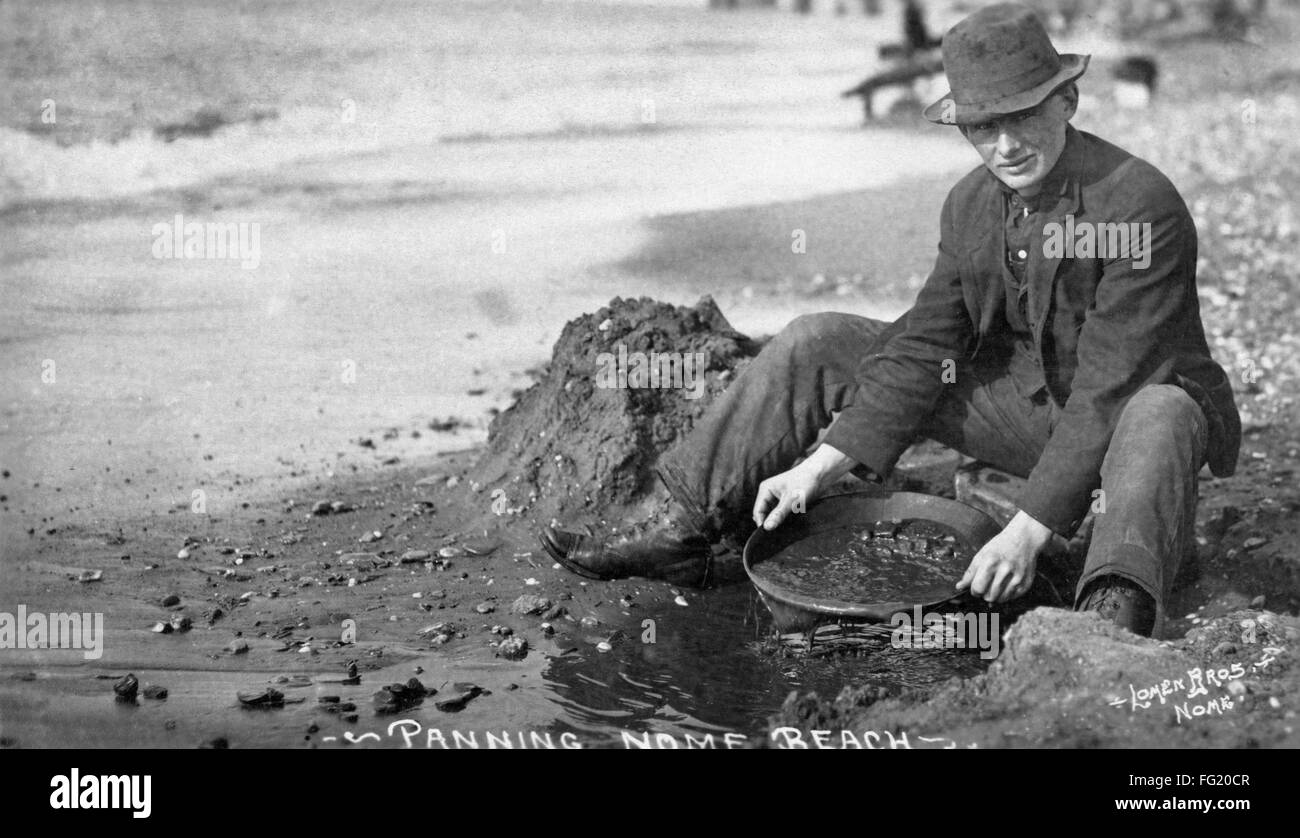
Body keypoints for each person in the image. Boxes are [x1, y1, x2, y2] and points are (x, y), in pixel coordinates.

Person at [539, 3, 1240, 637]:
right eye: (983, 127)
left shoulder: (1137, 203)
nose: (1006, 146)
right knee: (822, 339)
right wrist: (822, 464)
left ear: (1068, 102)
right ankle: (686, 525)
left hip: (1130, 432)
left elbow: (1107, 391)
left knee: (1162, 410)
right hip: (1027, 416)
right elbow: (924, 345)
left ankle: (1112, 604)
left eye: (1024, 116)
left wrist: (1027, 532)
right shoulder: (971, 205)